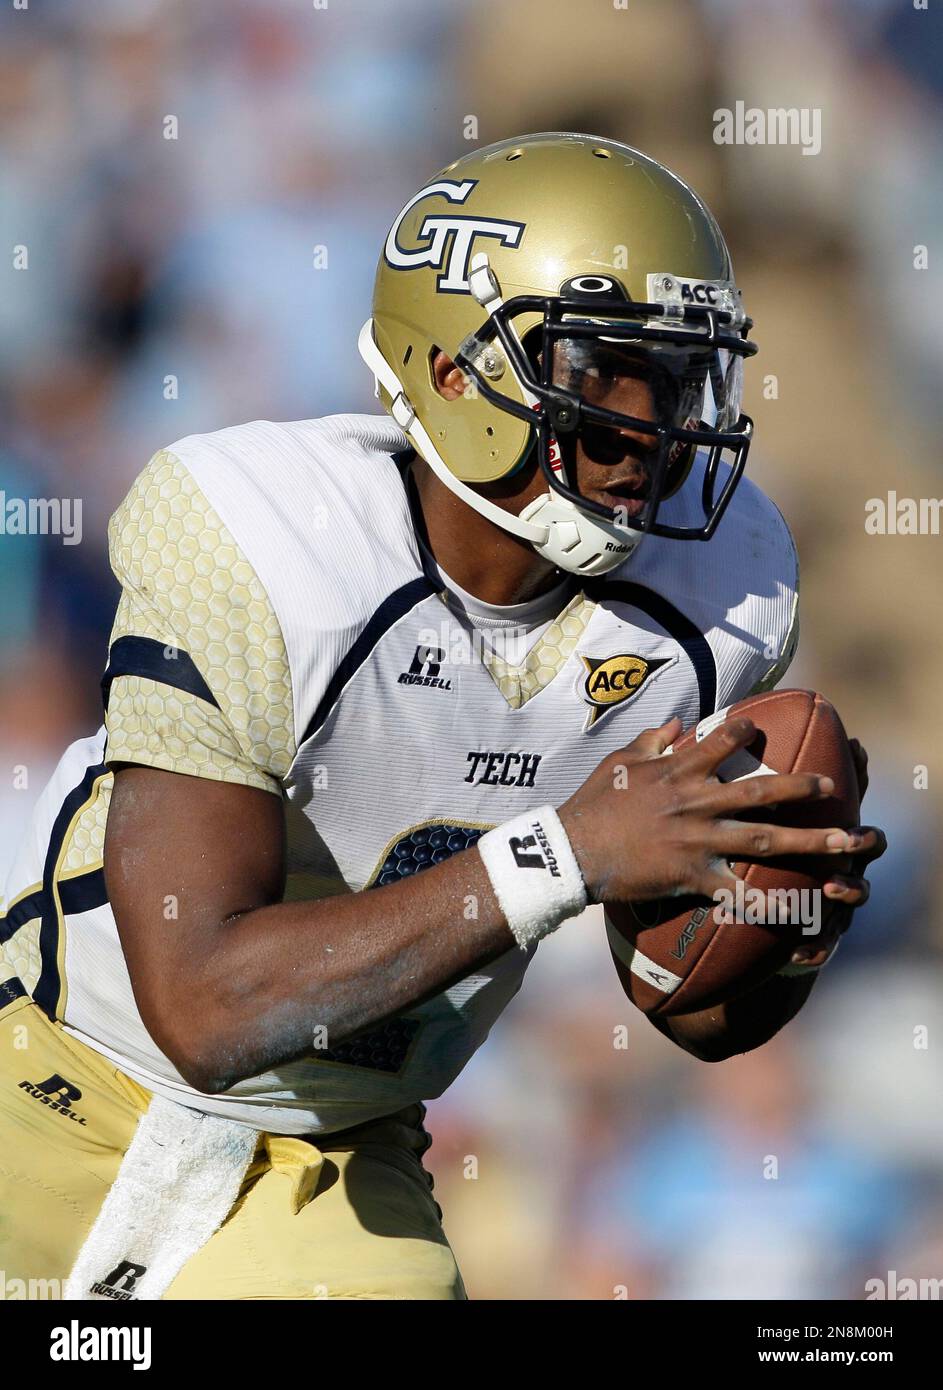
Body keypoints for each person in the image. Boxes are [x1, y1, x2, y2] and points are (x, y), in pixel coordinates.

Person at [0, 132, 883, 1301]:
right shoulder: (265, 537)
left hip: (337, 1157)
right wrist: (565, 851)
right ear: (459, 371)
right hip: (45, 1080)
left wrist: (778, 914)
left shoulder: (719, 599)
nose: (656, 428)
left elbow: (694, 1016)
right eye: (605, 370)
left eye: (679, 376)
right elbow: (203, 1005)